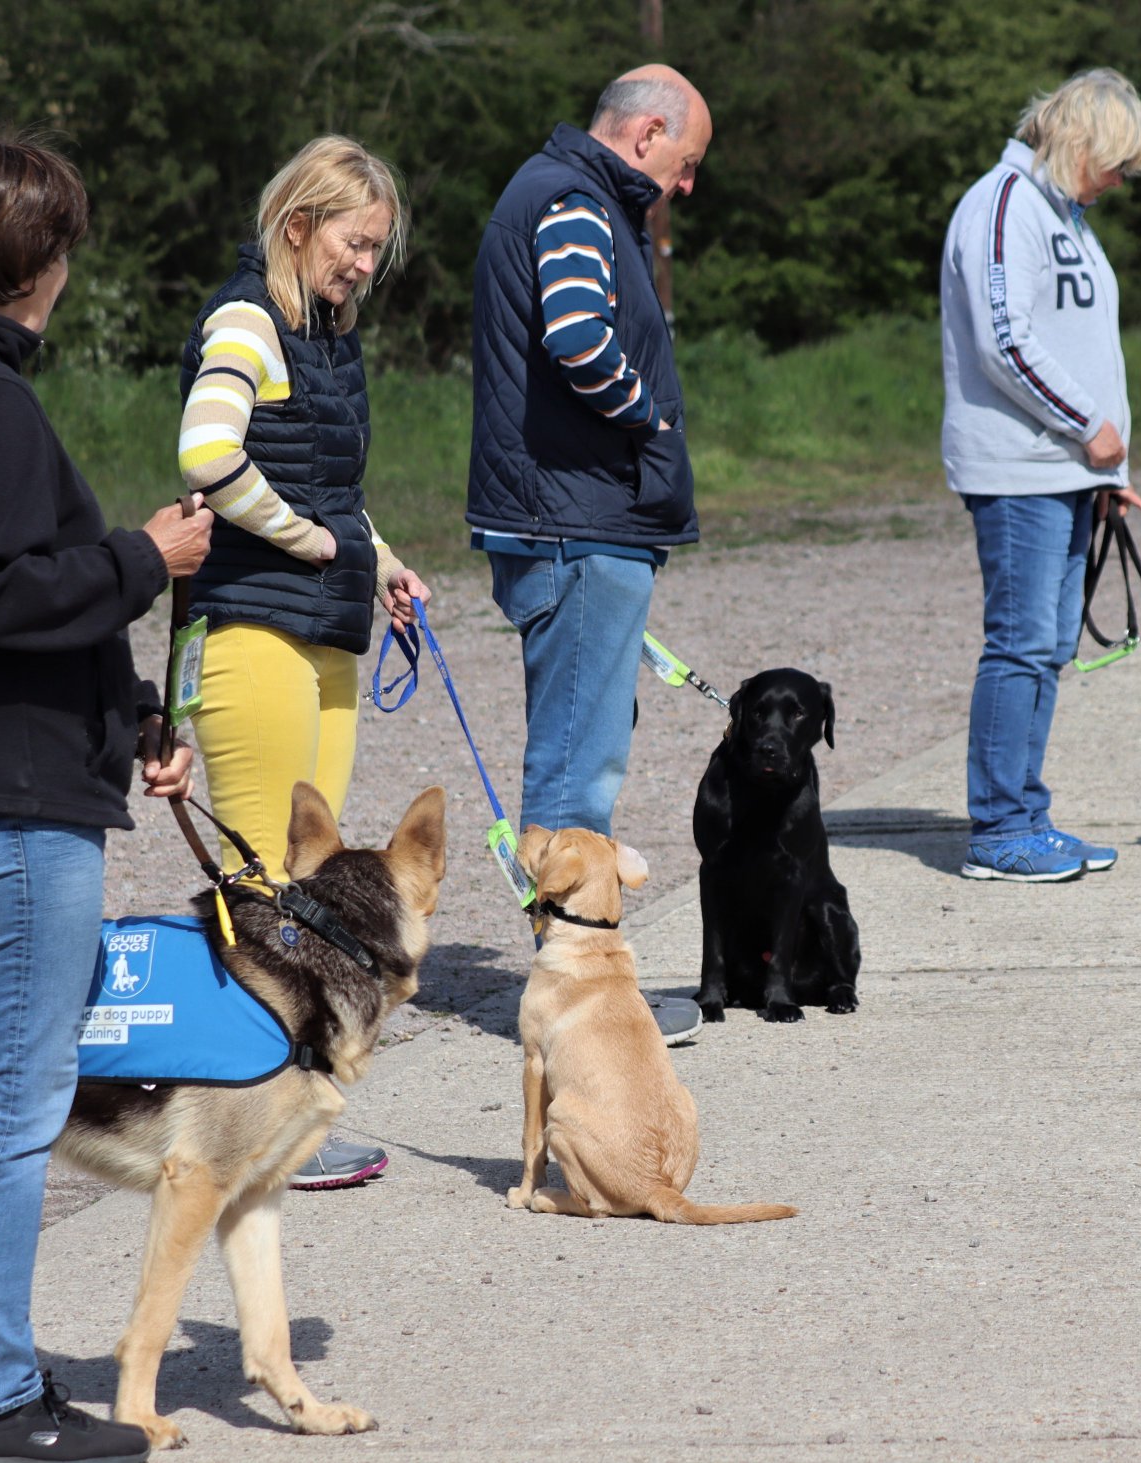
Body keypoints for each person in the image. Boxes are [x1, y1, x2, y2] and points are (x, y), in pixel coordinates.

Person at [0, 134, 213, 1462]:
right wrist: (146, 555)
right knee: (17, 1110)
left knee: (15, 1097)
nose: (69, 265)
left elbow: (5, 596)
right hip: (7, 799)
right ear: (32, 262)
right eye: (61, 243)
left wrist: (131, 716)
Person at [175, 135, 428, 1188]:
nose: (364, 265)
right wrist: (303, 538)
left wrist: (380, 562)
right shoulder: (247, 320)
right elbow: (207, 452)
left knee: (310, 890)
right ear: (298, 225)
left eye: (375, 249)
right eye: (353, 244)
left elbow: (327, 485)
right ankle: (248, 1124)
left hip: (323, 632)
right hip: (253, 633)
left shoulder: (325, 335)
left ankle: (288, 1115)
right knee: (261, 897)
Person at [466, 66, 712, 1042]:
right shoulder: (573, 200)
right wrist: (652, 417)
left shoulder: (566, 193)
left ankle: (574, 983)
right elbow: (577, 336)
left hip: (570, 516)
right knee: (578, 773)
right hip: (576, 520)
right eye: (685, 161)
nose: (685, 184)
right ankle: (579, 1005)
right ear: (646, 132)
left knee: (579, 757)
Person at [939, 68, 1141, 883]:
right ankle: (1000, 829)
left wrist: (1109, 467)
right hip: (1020, 467)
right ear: (1079, 141)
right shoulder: (1004, 205)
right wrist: (1090, 429)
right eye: (1117, 163)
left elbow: (1084, 347)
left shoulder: (1063, 216)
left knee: (1049, 645)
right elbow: (1006, 341)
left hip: (1065, 468)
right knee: (1022, 643)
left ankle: (1027, 815)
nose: (1121, 181)